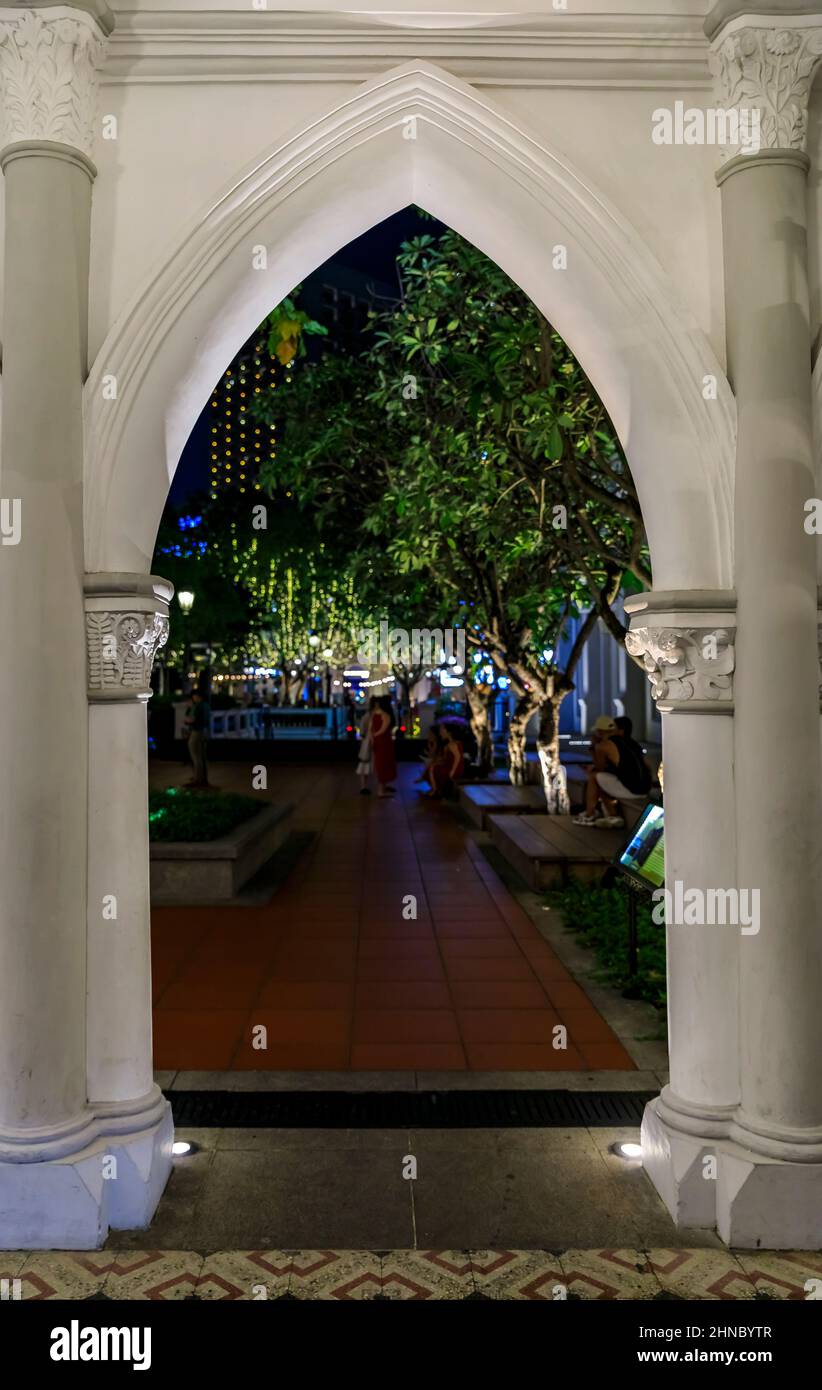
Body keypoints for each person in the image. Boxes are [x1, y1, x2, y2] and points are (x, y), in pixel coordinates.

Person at [573, 713, 650, 828]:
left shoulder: (603, 746)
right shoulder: (632, 743)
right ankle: (612, 815)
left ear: (599, 732)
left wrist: (593, 747)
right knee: (603, 779)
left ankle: (590, 814)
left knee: (594, 777)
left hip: (632, 790)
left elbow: (599, 767)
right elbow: (645, 766)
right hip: (645, 789)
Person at [427, 720, 464, 799]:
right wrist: (437, 762)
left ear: (448, 732)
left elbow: (458, 758)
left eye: (442, 729)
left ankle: (435, 790)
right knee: (433, 766)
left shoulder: (452, 744)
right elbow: (446, 758)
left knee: (433, 768)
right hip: (450, 766)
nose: (440, 732)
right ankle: (437, 789)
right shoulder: (449, 744)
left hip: (454, 769)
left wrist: (452, 772)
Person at [370, 695, 397, 798]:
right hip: (384, 741)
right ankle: (381, 790)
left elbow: (371, 728)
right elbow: (383, 729)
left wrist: (372, 737)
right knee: (384, 763)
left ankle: (382, 788)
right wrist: (375, 735)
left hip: (378, 741)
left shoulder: (374, 714)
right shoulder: (385, 715)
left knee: (380, 763)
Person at [184, 688, 211, 789]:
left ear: (197, 696)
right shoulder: (206, 705)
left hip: (196, 731)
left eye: (194, 696)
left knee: (196, 756)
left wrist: (187, 720)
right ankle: (203, 778)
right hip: (205, 732)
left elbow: (191, 719)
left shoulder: (197, 706)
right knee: (202, 756)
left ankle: (197, 779)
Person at [356, 697, 375, 795]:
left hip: (367, 742)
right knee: (367, 763)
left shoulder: (366, 716)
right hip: (371, 742)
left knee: (364, 764)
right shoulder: (372, 716)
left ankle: (364, 786)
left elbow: (362, 731)